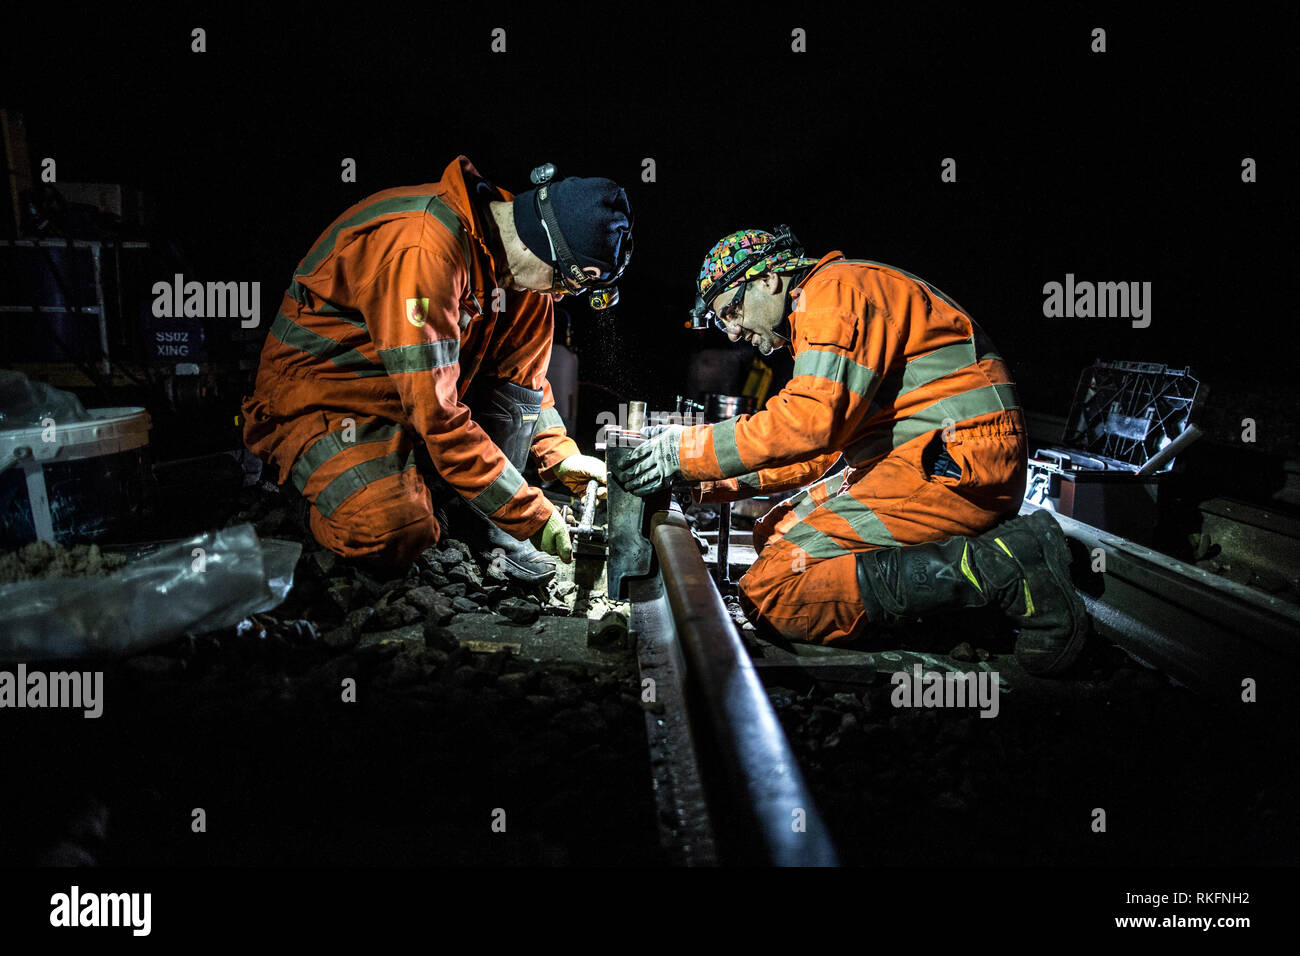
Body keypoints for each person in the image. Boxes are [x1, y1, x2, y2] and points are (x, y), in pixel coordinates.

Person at [612, 227, 1087, 675]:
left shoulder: (835, 294)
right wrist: (702, 480)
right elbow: (815, 450)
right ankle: (959, 611)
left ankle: (1006, 566)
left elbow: (807, 423)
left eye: (732, 312)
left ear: (770, 280)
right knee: (776, 536)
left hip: (956, 463)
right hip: (935, 456)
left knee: (773, 589)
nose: (733, 333)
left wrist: (684, 450)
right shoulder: (826, 305)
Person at [241, 156, 631, 583]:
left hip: (408, 411)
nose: (558, 297)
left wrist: (561, 457)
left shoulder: (523, 278)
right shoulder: (425, 249)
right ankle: (297, 490)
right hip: (326, 405)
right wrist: (530, 514)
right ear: (545, 244)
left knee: (448, 497)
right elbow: (439, 416)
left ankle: (465, 513)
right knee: (396, 532)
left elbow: (525, 387)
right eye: (565, 283)